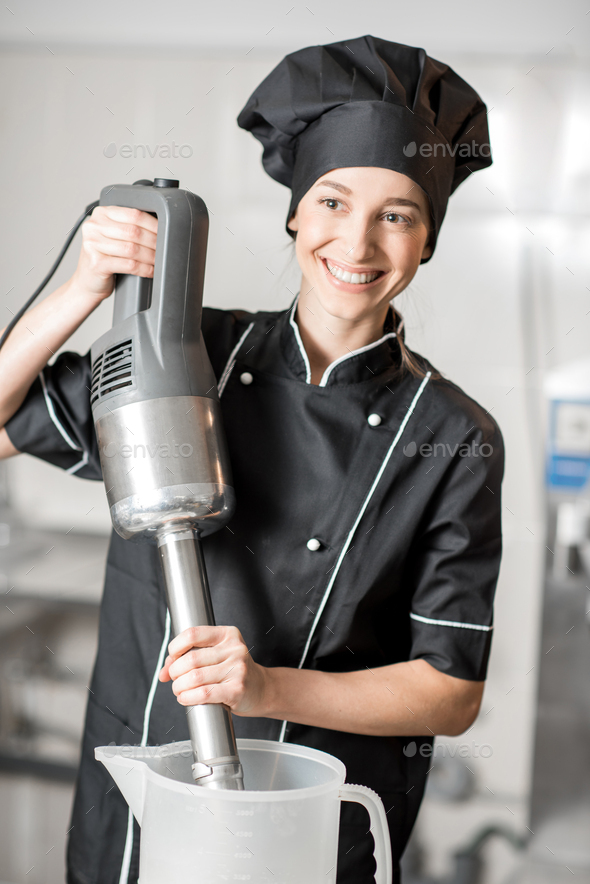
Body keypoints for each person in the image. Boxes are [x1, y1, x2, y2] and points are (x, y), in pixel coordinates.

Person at [0, 35, 503, 884]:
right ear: (296, 212)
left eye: (398, 214)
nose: (359, 242)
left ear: (426, 243)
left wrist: (267, 690)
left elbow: (450, 693)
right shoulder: (185, 353)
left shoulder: (453, 436)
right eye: (335, 202)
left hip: (309, 828)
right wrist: (80, 290)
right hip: (132, 813)